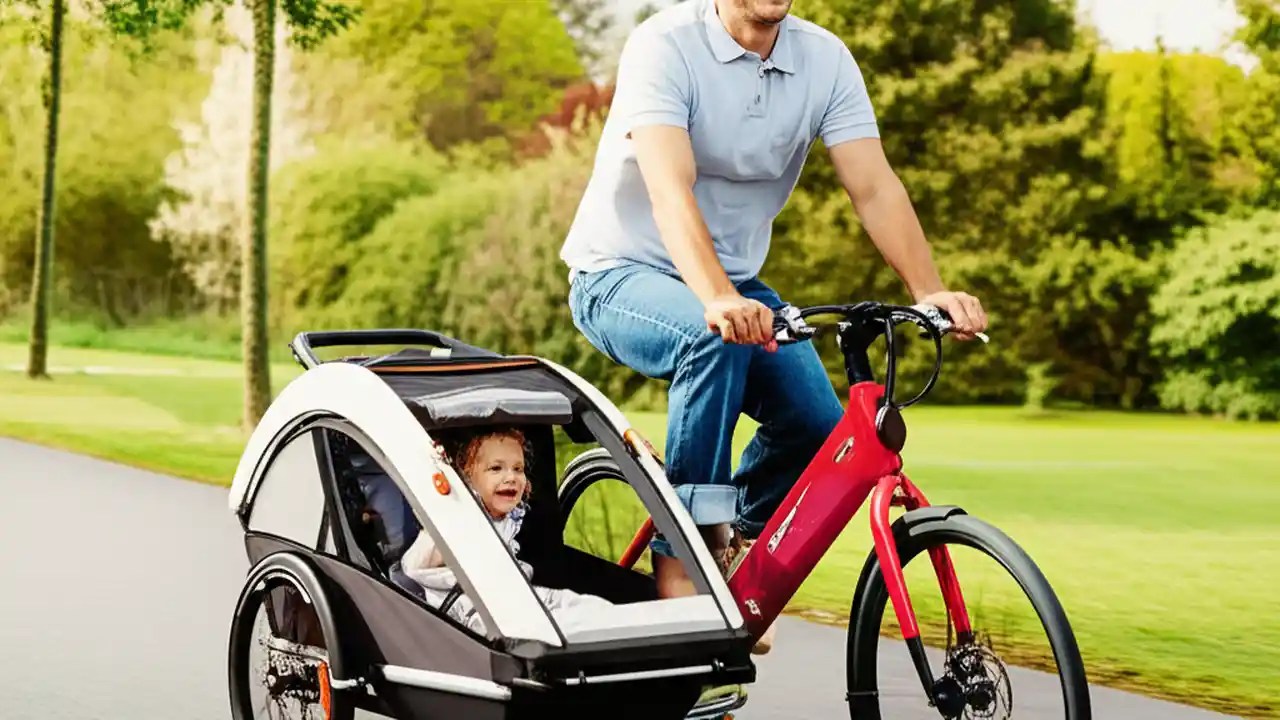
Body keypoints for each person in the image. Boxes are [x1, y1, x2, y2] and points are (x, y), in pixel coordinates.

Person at [560, 0, 989, 655]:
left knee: (821, 430)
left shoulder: (823, 60)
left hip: (734, 283)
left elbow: (873, 188)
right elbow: (671, 189)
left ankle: (735, 547)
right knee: (711, 339)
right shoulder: (665, 46)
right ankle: (686, 558)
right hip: (620, 274)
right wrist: (716, 298)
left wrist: (928, 290)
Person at [399, 426, 615, 636]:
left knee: (584, 606)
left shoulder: (507, 518)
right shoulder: (460, 515)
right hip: (463, 610)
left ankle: (615, 625)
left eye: (518, 469)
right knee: (547, 624)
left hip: (511, 597)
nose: (511, 477)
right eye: (496, 468)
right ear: (466, 477)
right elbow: (419, 562)